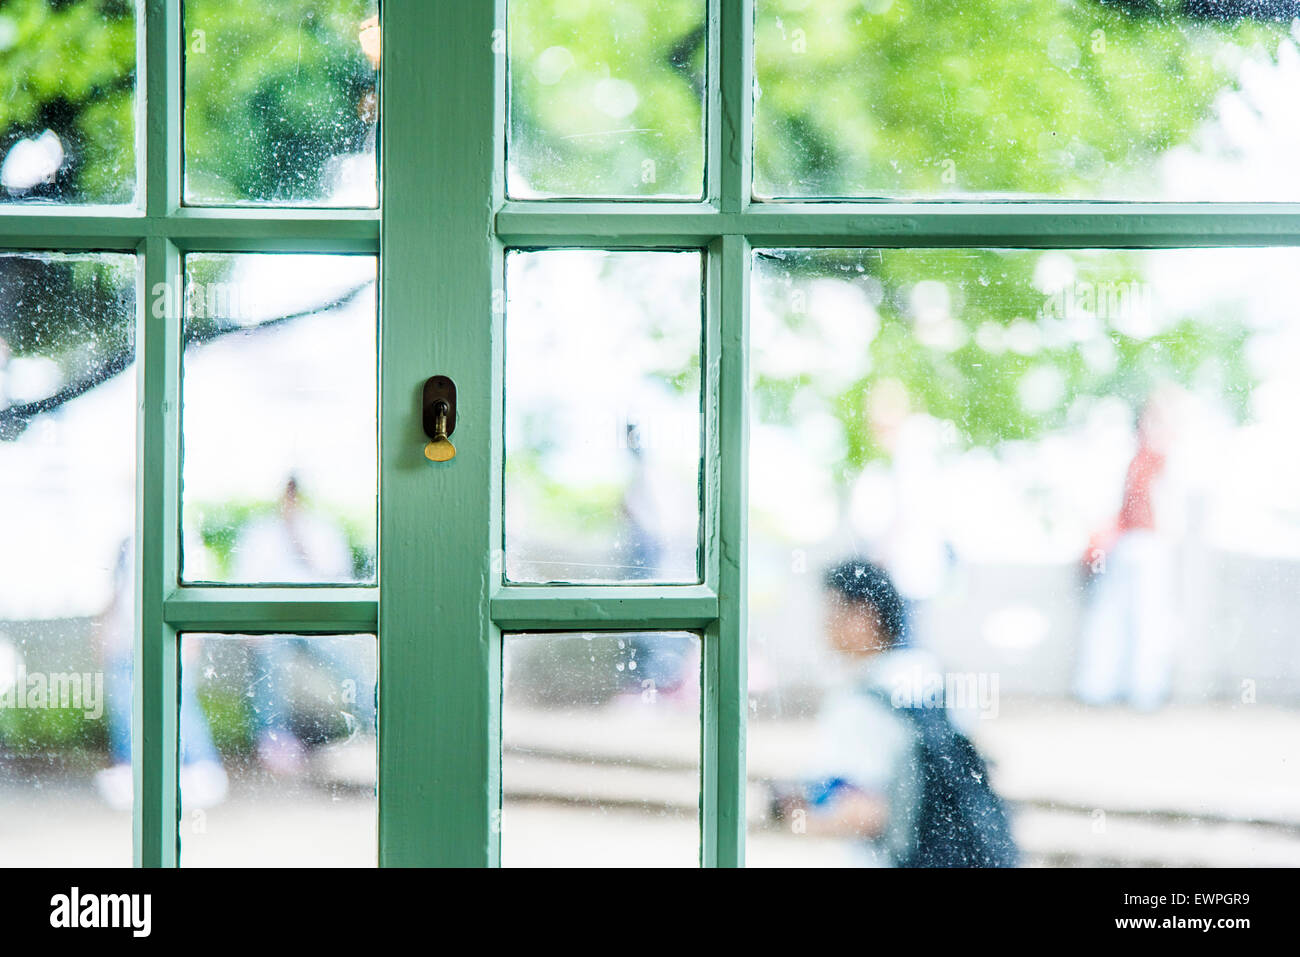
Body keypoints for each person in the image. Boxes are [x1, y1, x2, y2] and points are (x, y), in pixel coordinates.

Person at [775, 559, 1018, 867]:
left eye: (833, 611)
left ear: (865, 616)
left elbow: (868, 814)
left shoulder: (859, 702)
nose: (824, 625)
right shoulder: (935, 675)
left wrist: (797, 819)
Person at [96, 540, 228, 810]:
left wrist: (191, 635)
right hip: (126, 640)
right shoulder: (126, 542)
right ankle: (134, 770)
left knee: (180, 704)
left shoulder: (179, 535)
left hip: (166, 638)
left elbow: (192, 589)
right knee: (125, 707)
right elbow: (117, 591)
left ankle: (200, 767)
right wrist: (104, 632)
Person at [1073, 397, 1177, 709]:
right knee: (1133, 617)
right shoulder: (1145, 460)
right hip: (1136, 544)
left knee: (1130, 617)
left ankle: (1125, 689)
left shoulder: (1144, 460)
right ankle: (1128, 690)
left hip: (1137, 545)